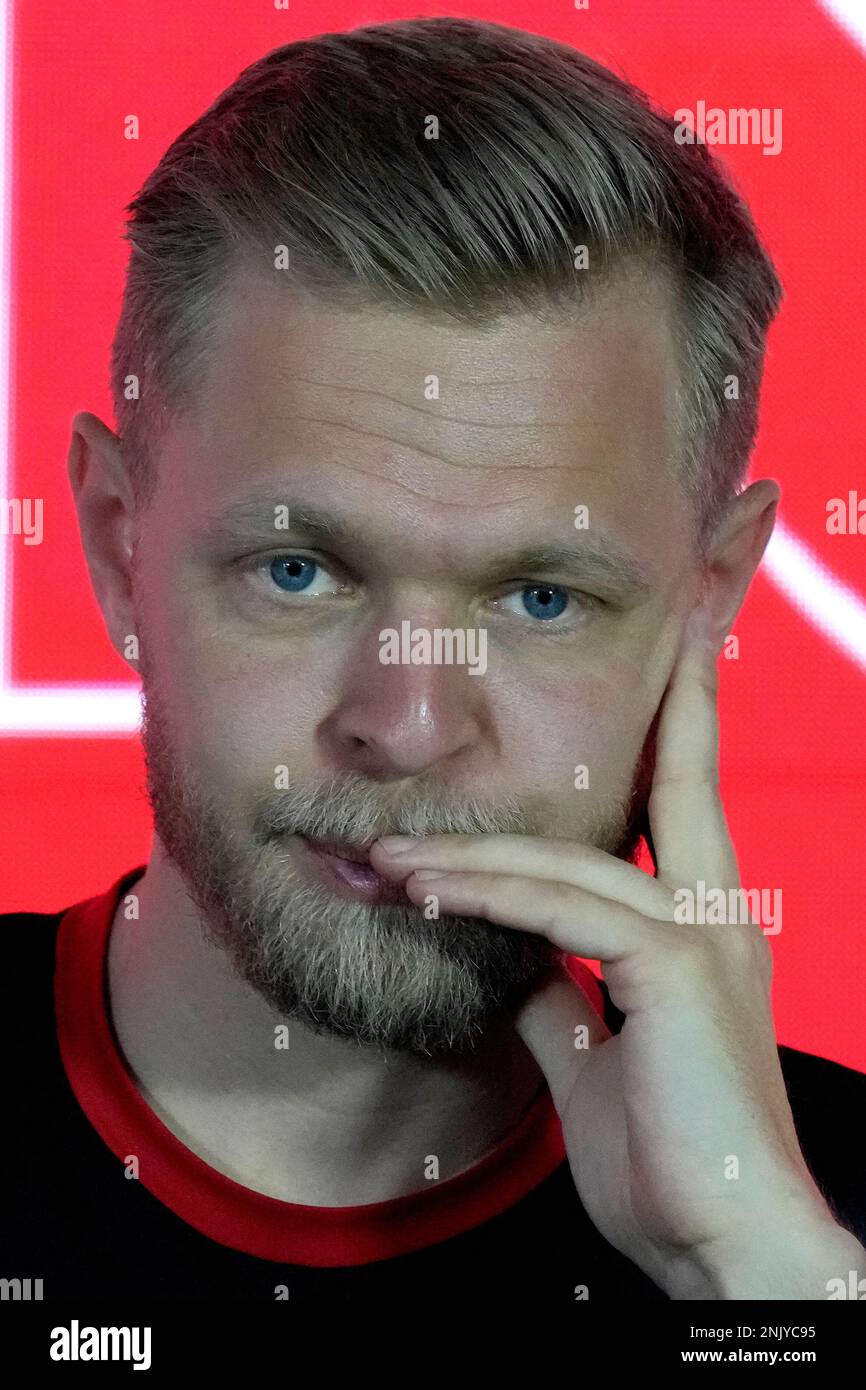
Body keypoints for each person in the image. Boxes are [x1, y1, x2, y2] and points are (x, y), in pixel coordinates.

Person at [3, 16, 864, 1305]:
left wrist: (758, 1282)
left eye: (538, 595)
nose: (405, 724)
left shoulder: (818, 1248)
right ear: (120, 546)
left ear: (710, 596)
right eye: (299, 571)